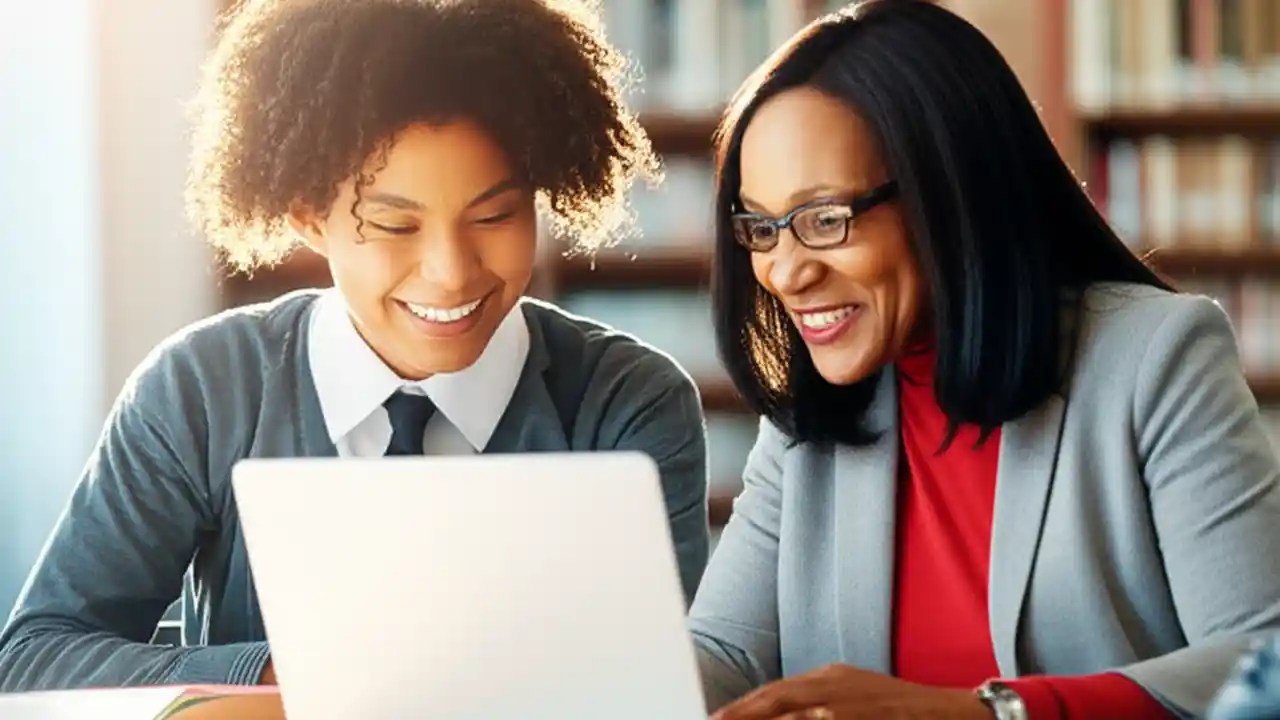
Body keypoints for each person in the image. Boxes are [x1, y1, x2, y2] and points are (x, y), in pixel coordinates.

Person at [0, 0, 709, 692]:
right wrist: (301, 679)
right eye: (396, 226)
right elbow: (34, 660)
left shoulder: (628, 403)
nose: (452, 270)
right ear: (310, 216)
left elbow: (651, 687)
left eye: (495, 215)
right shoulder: (203, 390)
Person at [690, 1, 1280, 719]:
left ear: (949, 194)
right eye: (761, 228)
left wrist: (988, 713)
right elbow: (722, 653)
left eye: (824, 220)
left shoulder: (1155, 359)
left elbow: (1259, 660)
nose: (784, 272)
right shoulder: (808, 421)